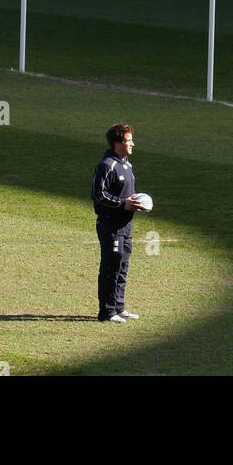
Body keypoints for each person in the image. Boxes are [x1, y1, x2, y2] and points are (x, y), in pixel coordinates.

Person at [91, 122, 144, 323]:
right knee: (110, 268)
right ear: (117, 143)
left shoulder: (127, 165)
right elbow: (98, 195)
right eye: (129, 140)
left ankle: (118, 307)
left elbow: (126, 195)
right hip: (110, 226)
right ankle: (106, 311)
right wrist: (123, 204)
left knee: (122, 266)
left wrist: (136, 202)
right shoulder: (107, 165)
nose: (133, 144)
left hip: (125, 226)